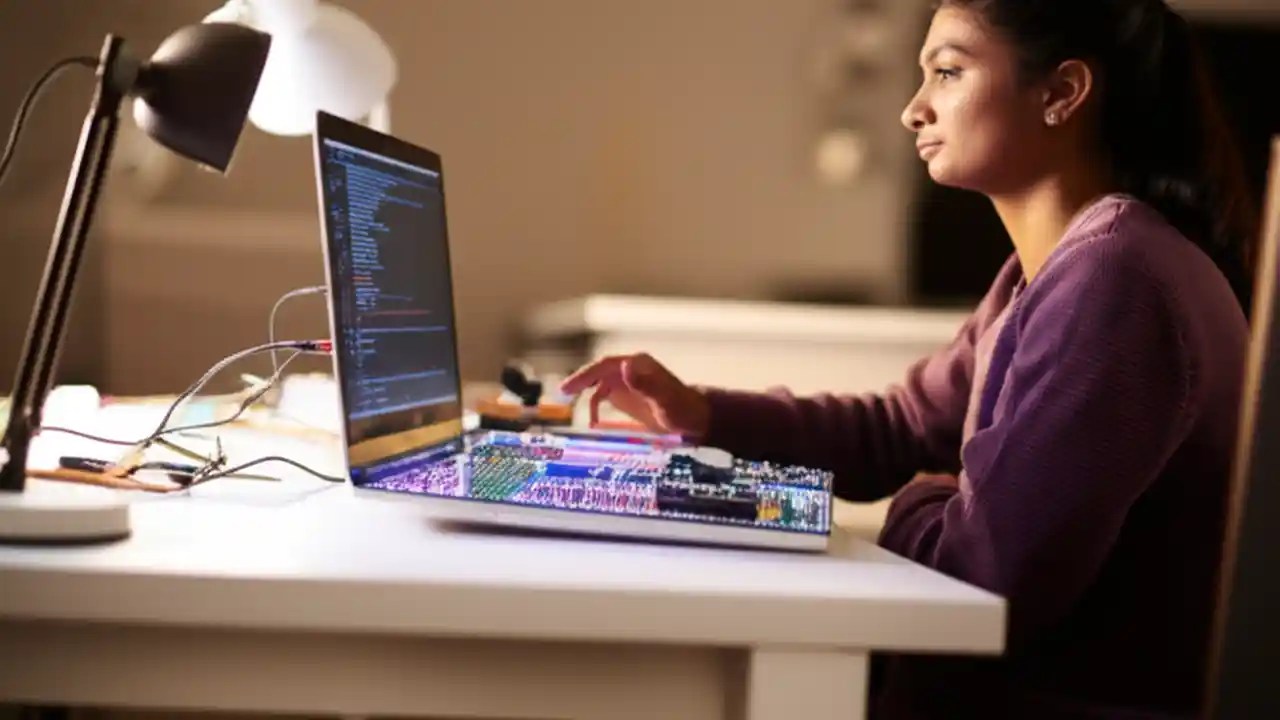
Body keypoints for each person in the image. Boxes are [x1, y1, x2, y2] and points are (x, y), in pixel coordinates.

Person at [560, 0, 1259, 717]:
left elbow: (987, 577)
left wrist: (915, 501)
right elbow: (898, 429)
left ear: (1061, 93)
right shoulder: (1053, 271)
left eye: (948, 73)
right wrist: (701, 414)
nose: (912, 110)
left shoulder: (1114, 278)